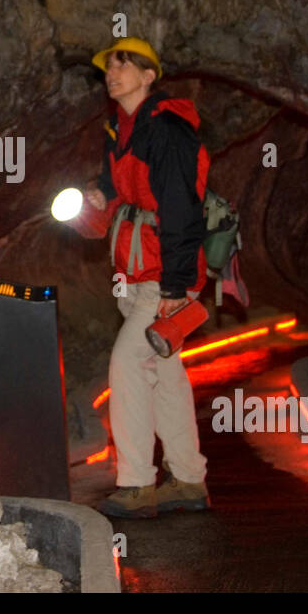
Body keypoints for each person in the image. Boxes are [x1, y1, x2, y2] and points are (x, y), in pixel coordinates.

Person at [69, 37, 211, 518]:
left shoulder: (166, 130)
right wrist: (92, 197)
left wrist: (175, 289)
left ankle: (135, 483)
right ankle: (189, 480)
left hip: (163, 275)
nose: (114, 70)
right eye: (109, 64)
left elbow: (180, 208)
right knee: (165, 377)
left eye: (125, 62)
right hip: (136, 272)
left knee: (128, 366)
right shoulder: (122, 131)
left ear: (149, 75)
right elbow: (114, 194)